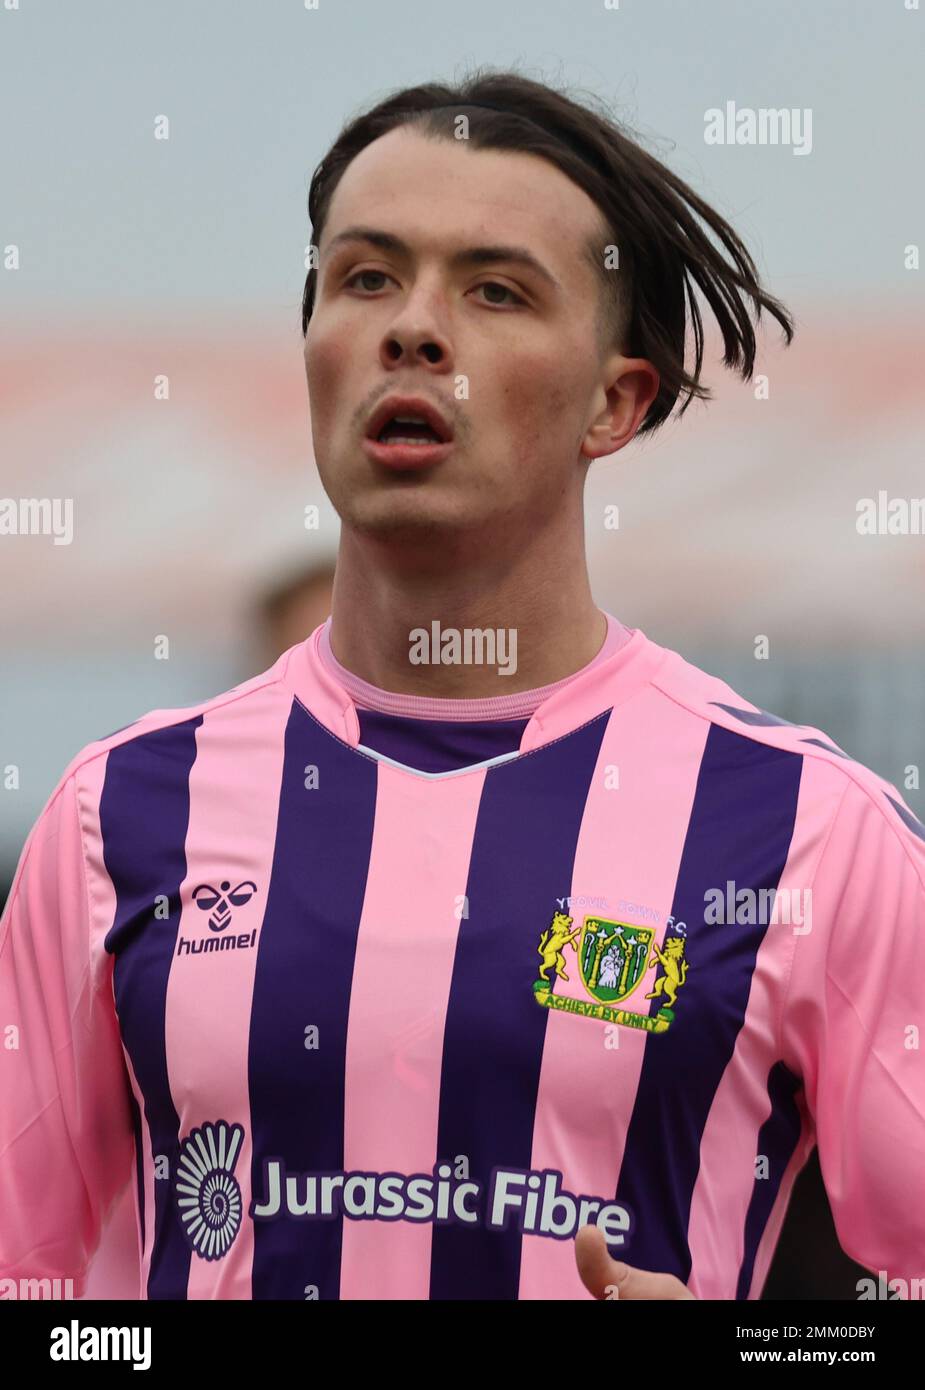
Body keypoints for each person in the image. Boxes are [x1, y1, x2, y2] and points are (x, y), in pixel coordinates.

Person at [2, 70, 923, 1303]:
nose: (413, 328)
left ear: (614, 398)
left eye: (494, 290)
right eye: (367, 277)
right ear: (315, 342)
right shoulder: (113, 814)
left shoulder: (811, 831)